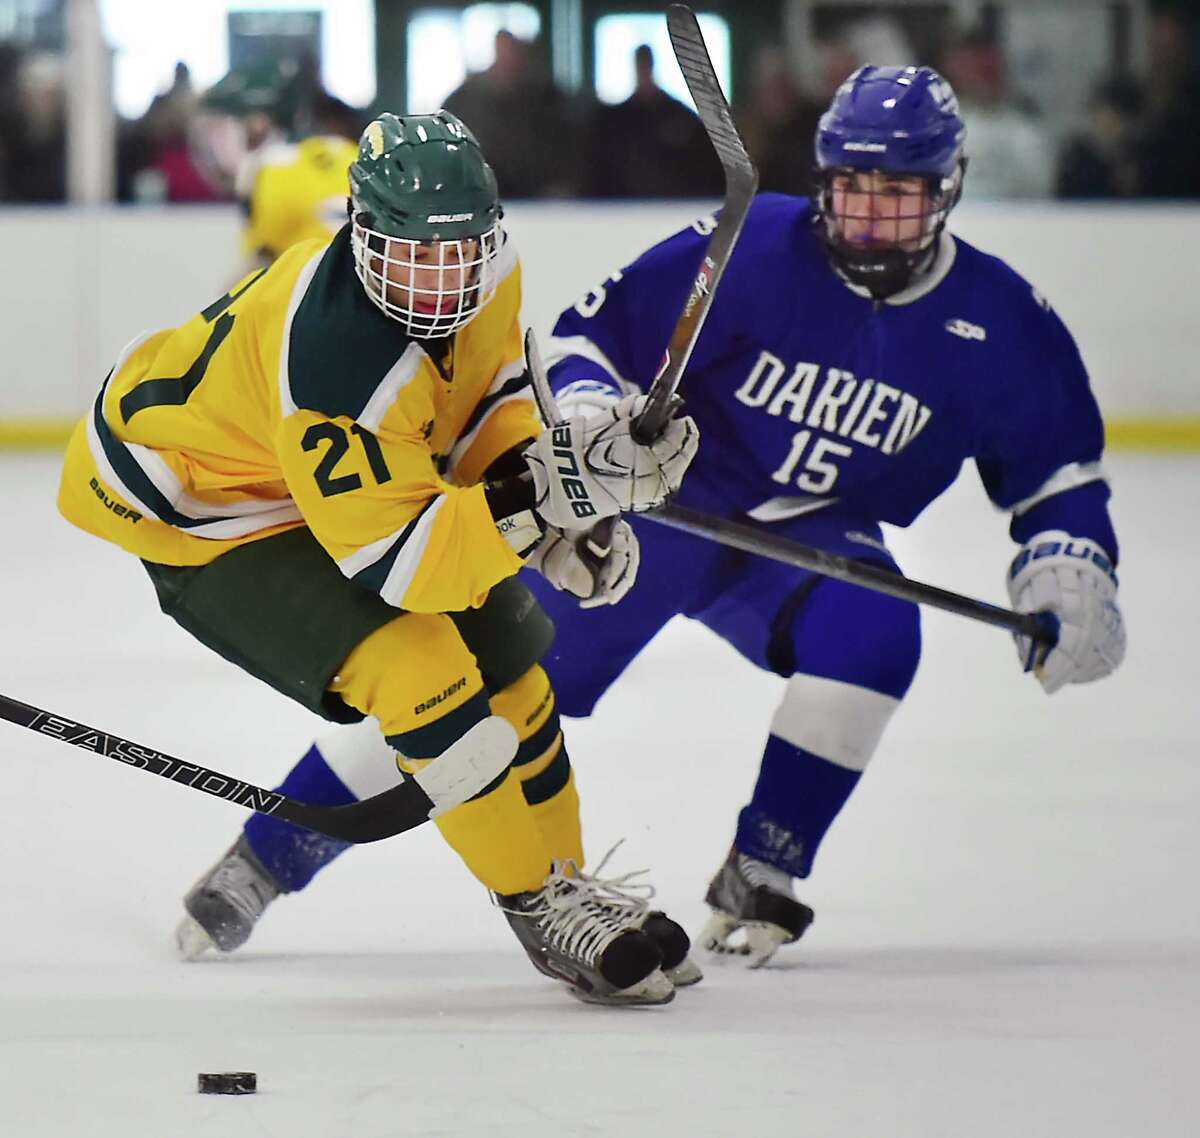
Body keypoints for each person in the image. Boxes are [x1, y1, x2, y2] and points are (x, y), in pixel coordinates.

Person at [213, 66, 1126, 969]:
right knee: (479, 674)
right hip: (658, 512)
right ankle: (268, 855)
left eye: (898, 191)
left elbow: (1058, 474)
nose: (868, 211)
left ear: (949, 189)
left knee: (878, 637)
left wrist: (1070, 562)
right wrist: (584, 423)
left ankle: (765, 866)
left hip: (805, 537)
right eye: (853, 185)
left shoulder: (1002, 321)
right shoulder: (753, 248)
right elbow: (586, 339)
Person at [57, 109, 700, 1006]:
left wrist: (554, 514)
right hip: (201, 509)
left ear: (491, 236)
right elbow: (406, 566)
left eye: (458, 254)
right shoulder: (334, 356)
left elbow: (485, 401)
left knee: (515, 667)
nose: (440, 283)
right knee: (418, 669)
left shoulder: (491, 272)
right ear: (362, 234)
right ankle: (536, 906)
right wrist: (547, 496)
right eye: (414, 256)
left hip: (314, 483)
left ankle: (567, 882)